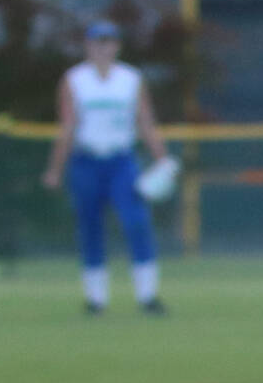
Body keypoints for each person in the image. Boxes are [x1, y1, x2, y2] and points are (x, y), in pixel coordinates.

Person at [41, 20, 171, 316]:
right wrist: (55, 169)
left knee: (136, 222)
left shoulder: (130, 78)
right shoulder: (75, 79)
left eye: (109, 41)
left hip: (121, 160)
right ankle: (96, 299)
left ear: (117, 45)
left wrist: (161, 159)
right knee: (90, 227)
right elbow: (68, 126)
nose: (104, 47)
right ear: (88, 46)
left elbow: (146, 121)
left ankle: (148, 295)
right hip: (86, 161)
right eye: (98, 42)